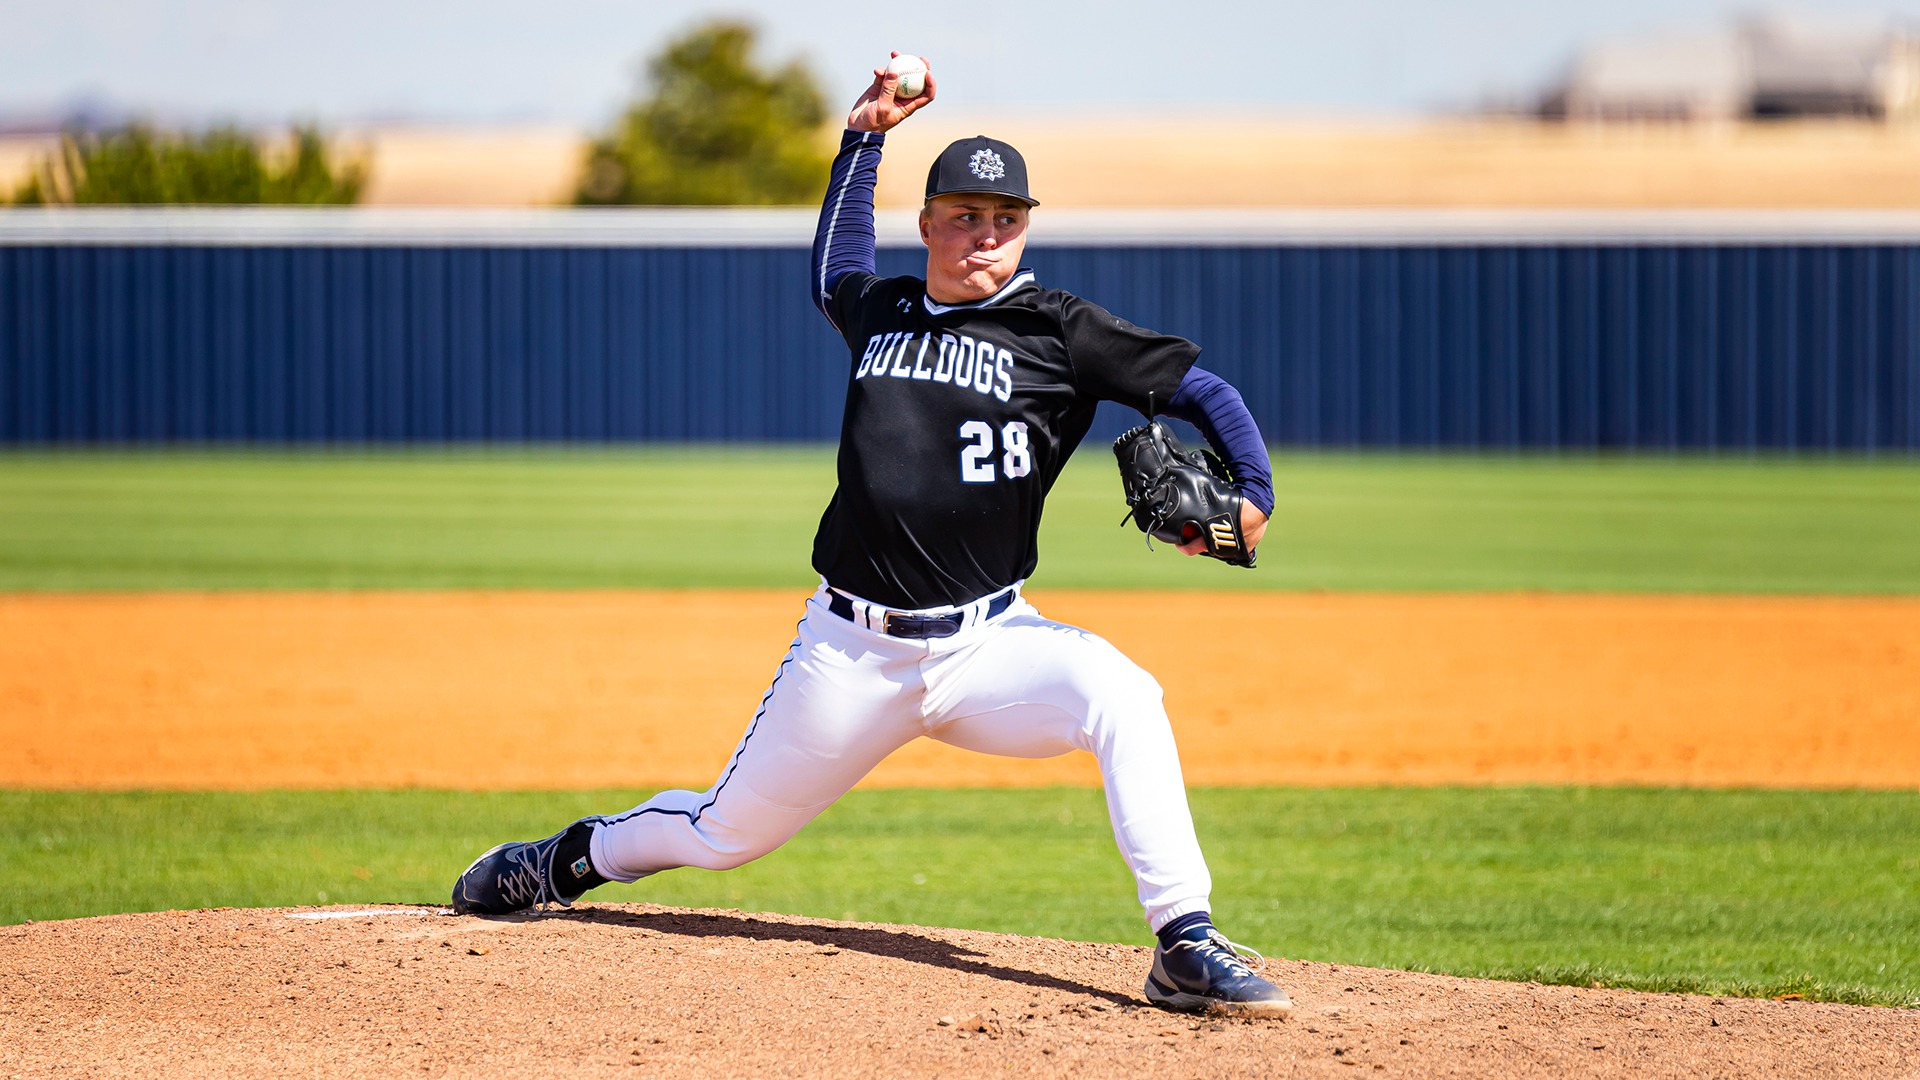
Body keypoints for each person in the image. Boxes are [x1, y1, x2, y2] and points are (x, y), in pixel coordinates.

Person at [450, 55, 1290, 1016]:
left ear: (1026, 228)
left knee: (1124, 697)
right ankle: (563, 861)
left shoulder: (1062, 332)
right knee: (725, 834)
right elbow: (831, 269)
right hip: (850, 651)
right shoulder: (881, 308)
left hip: (989, 644)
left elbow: (1206, 391)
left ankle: (1184, 940)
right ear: (927, 223)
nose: (985, 234)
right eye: (964, 215)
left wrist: (1256, 492)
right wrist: (863, 139)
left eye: (1005, 217)